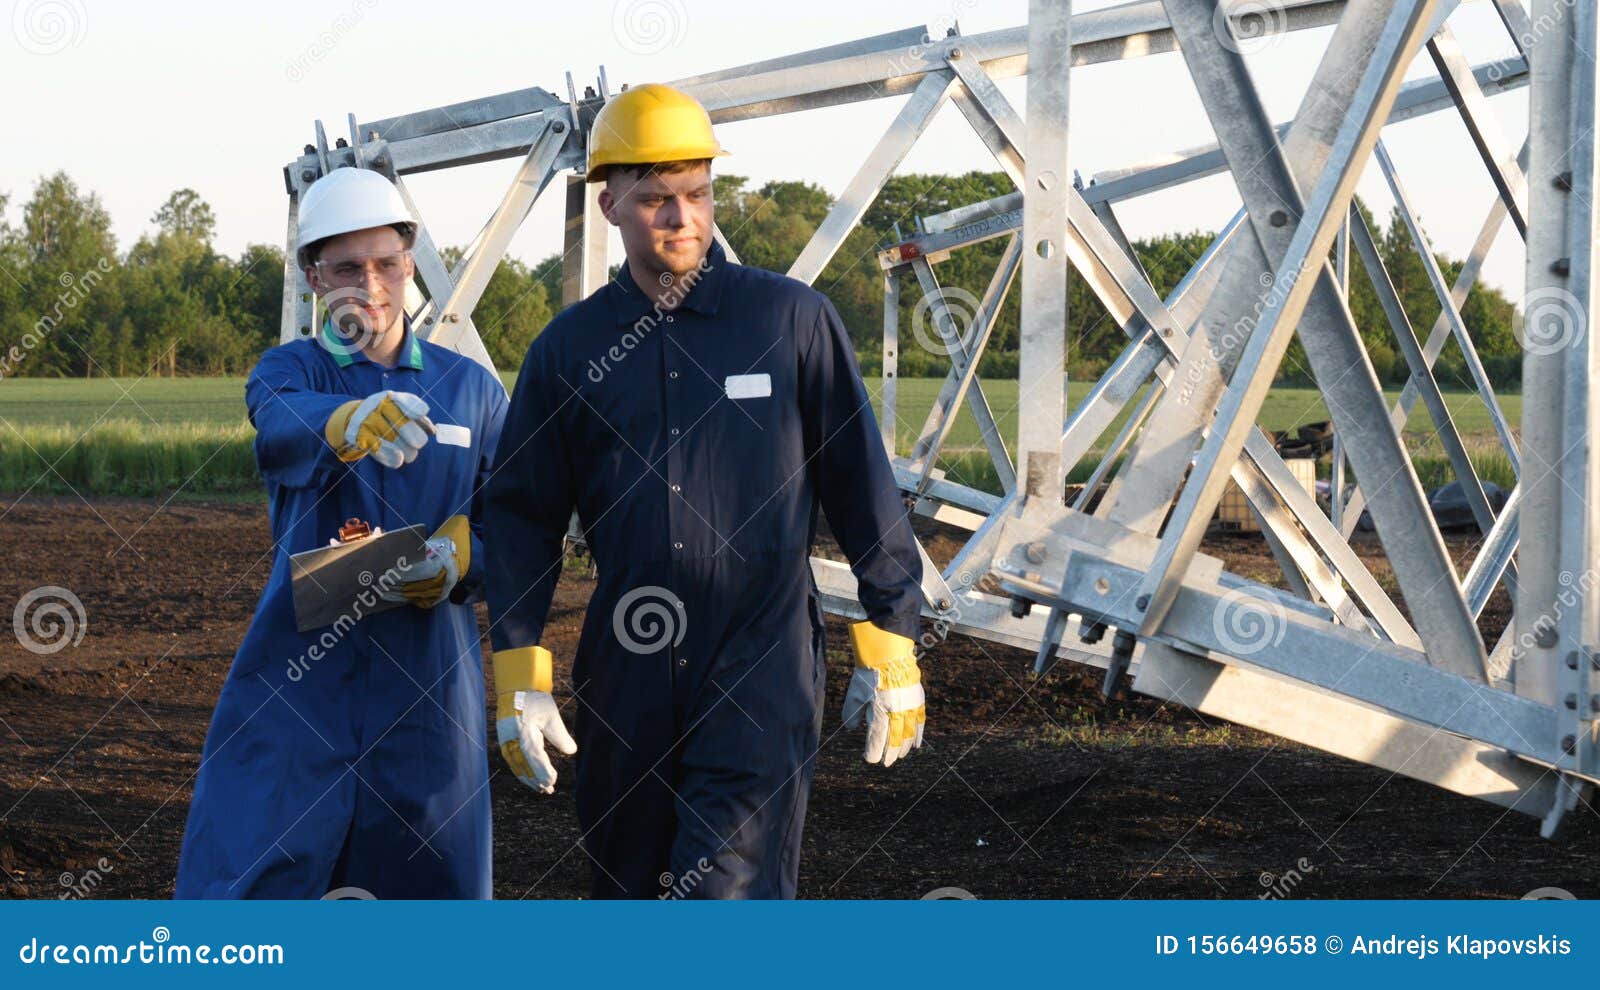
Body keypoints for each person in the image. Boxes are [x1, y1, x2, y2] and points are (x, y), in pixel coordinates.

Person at [484, 83, 927, 899]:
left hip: (760, 667)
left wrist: (893, 630)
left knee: (725, 895)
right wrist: (519, 666)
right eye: (655, 200)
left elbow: (860, 480)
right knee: (627, 895)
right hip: (628, 672)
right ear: (610, 202)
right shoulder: (570, 350)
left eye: (696, 195)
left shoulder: (789, 321)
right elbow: (520, 517)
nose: (682, 218)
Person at [175, 167, 508, 898]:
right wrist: (343, 422)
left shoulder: (473, 390)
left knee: (432, 899)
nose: (372, 285)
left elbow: (511, 523)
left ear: (410, 264)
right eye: (348, 268)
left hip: (428, 685)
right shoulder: (288, 371)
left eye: (388, 264)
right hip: (301, 679)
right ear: (313, 276)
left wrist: (459, 558)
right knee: (258, 882)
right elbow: (278, 422)